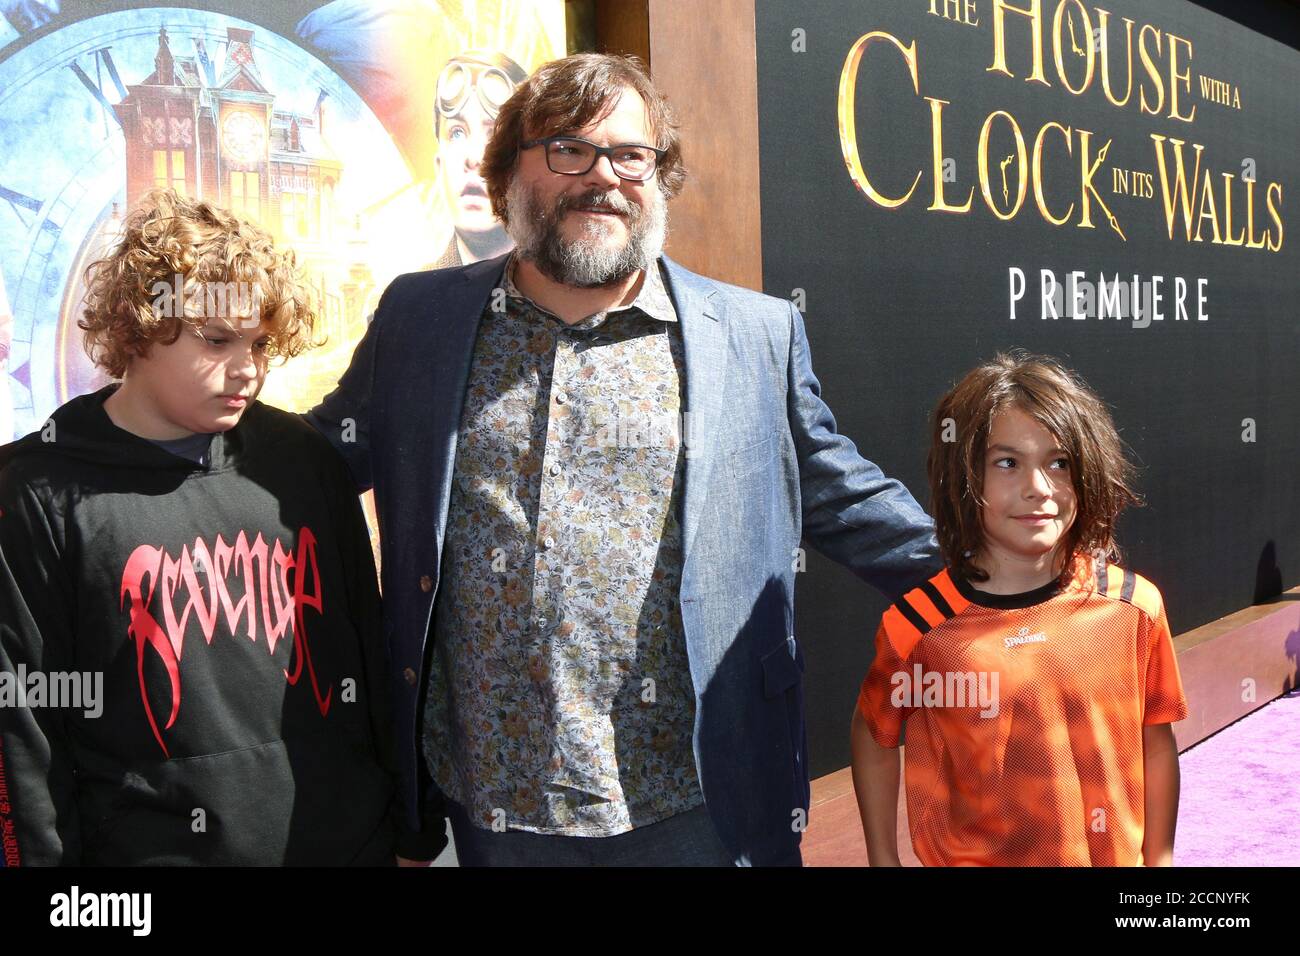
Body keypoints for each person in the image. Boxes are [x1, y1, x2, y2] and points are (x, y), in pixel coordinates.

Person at [307, 53, 941, 867]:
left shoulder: (753, 335)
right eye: (568, 149)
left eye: (630, 155)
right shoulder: (421, 320)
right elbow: (320, 464)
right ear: (509, 175)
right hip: (495, 802)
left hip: (700, 801)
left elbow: (840, 496)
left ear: (658, 174)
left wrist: (1012, 587)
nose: (602, 176)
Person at [0, 189, 437, 865]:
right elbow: (28, 735)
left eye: (261, 344)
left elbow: (370, 659)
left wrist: (409, 829)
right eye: (217, 340)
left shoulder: (302, 463)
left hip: (344, 848)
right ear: (141, 324)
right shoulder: (36, 491)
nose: (248, 370)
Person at [850, 352, 1188, 866]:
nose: (1039, 487)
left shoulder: (1132, 608)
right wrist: (882, 858)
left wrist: (1159, 857)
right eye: (1007, 462)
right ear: (962, 476)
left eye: (1059, 462)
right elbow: (873, 733)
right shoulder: (917, 629)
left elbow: (1156, 741)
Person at [427, 50, 528, 268]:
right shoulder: (411, 299)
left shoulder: (568, 292)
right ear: (439, 167)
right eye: (456, 132)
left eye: (495, 135)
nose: (473, 158)